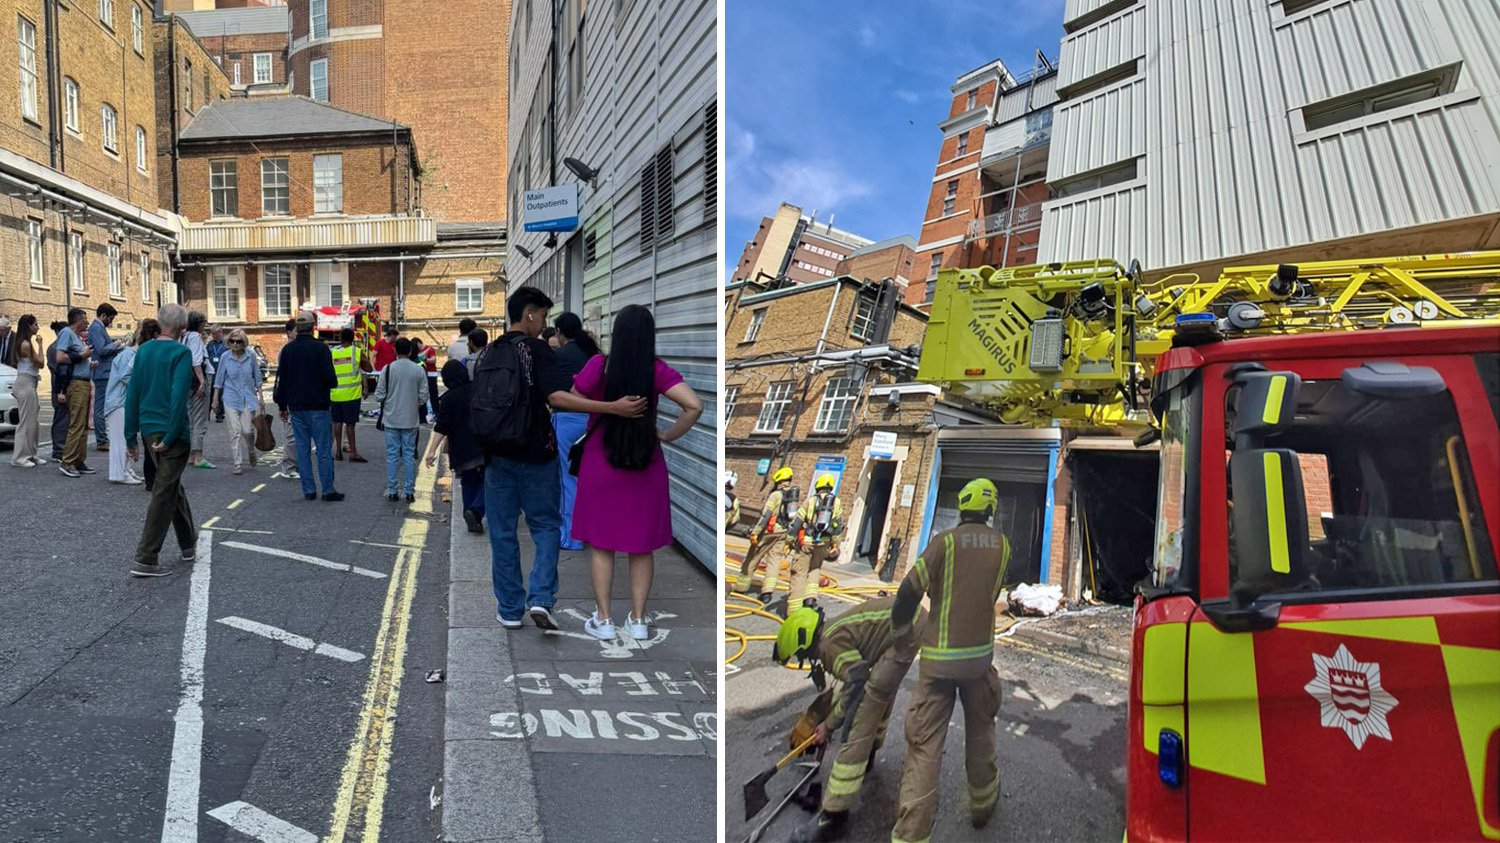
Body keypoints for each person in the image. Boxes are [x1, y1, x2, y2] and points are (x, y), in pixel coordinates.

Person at [476, 286, 647, 631]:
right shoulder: (537, 350)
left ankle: (510, 609)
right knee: (545, 526)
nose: (543, 325)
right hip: (536, 453)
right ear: (528, 313)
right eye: (541, 316)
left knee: (503, 532)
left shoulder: (489, 351)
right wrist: (611, 408)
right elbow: (558, 398)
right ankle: (540, 599)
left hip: (496, 455)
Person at [570, 304, 703, 641]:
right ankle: (639, 620)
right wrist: (666, 435)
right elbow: (694, 406)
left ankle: (603, 620)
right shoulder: (655, 369)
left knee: (602, 544)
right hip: (645, 463)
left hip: (601, 463)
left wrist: (607, 407)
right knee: (640, 546)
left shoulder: (599, 366)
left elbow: (572, 399)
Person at [890, 478, 1011, 843]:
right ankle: (983, 805)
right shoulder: (1003, 546)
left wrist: (900, 635)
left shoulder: (944, 542)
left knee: (924, 748)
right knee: (981, 732)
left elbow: (908, 590)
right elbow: (991, 595)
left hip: (939, 663)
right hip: (978, 661)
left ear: (962, 506)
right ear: (990, 509)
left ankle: (912, 834)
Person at [774, 597, 927, 843]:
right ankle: (869, 756)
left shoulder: (827, 645)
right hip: (910, 622)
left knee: (862, 714)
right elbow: (849, 676)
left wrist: (830, 725)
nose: (804, 659)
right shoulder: (831, 631)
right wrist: (822, 715)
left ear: (805, 644)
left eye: (800, 654)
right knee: (881, 690)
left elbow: (855, 681)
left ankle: (833, 816)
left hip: (905, 629)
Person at [124, 304, 198, 578]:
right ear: (183, 329)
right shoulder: (181, 352)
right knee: (163, 491)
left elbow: (133, 392)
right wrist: (171, 435)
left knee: (170, 486)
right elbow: (179, 397)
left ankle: (189, 542)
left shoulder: (143, 351)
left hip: (148, 429)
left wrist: (130, 435)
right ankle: (146, 557)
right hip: (172, 433)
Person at [273, 313, 343, 502]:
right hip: (319, 406)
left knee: (302, 450)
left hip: (296, 407)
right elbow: (331, 380)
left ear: (297, 327)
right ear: (314, 326)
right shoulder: (321, 349)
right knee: (323, 450)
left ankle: (309, 490)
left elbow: (283, 381)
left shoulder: (288, 350)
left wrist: (281, 405)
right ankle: (328, 490)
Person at [551, 312, 602, 551]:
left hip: (567, 420)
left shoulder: (558, 356)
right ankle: (592, 530)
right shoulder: (595, 355)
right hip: (596, 421)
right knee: (588, 478)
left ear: (560, 332)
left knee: (566, 479)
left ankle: (571, 536)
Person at [426, 360, 483, 531]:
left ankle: (470, 516)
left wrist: (431, 451)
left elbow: (442, 426)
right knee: (488, 481)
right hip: (482, 443)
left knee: (468, 482)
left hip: (460, 449)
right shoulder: (478, 389)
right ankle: (476, 510)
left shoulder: (448, 398)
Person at [372, 337, 428, 502]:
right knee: (409, 455)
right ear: (410, 351)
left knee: (392, 455)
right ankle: (410, 491)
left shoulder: (387, 369)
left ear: (395, 350)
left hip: (391, 419)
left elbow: (379, 395)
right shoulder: (418, 370)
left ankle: (393, 490)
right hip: (410, 419)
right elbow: (424, 395)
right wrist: (413, 404)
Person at [732, 467, 799, 602]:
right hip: (783, 532)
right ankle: (767, 593)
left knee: (753, 557)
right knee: (774, 561)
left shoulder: (775, 495)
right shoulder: (793, 497)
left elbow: (766, 515)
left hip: (769, 530)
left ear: (778, 481)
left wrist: (756, 532)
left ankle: (742, 586)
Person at [103, 320, 158, 485]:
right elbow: (125, 376)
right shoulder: (130, 355)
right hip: (118, 402)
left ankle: (126, 470)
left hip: (122, 401)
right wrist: (142, 386)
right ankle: (119, 473)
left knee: (126, 438)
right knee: (120, 439)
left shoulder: (131, 354)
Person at [786, 474, 846, 610]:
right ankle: (810, 598)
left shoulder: (811, 501)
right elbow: (837, 526)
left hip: (807, 541)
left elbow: (797, 522)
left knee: (799, 573)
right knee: (815, 569)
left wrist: (789, 540)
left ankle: (793, 608)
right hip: (823, 543)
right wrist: (835, 545)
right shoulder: (836, 503)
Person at [212, 329, 264, 476]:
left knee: (247, 430)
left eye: (238, 341)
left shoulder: (251, 356)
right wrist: (215, 399)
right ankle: (238, 463)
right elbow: (219, 379)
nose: (235, 344)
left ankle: (251, 450)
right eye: (232, 341)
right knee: (234, 432)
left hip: (248, 397)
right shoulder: (225, 357)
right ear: (229, 342)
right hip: (230, 398)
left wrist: (261, 398)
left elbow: (257, 378)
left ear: (244, 343)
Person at [54, 307, 96, 478]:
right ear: (78, 320)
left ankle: (79, 460)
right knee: (77, 424)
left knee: (83, 425)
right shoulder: (66, 333)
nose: (87, 323)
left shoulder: (77, 337)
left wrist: (87, 363)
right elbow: (60, 357)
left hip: (83, 382)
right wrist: (83, 355)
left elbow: (77, 358)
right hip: (76, 384)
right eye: (85, 320)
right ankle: (68, 461)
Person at [5, 315, 45, 467]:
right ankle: (20, 457)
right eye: (35, 324)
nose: (38, 327)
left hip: (30, 383)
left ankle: (31, 454)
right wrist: (41, 345)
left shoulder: (25, 343)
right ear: (29, 326)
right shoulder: (25, 345)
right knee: (26, 423)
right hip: (25, 383)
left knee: (32, 422)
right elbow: (41, 363)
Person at [87, 304, 124, 451]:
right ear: (103, 315)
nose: (111, 321)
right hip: (102, 372)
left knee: (102, 406)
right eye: (110, 318)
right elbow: (101, 350)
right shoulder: (96, 328)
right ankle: (101, 440)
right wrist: (115, 345)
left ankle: (103, 438)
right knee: (100, 407)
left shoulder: (99, 328)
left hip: (104, 372)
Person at [181, 310, 213, 469]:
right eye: (204, 322)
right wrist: (202, 382)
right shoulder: (195, 338)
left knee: (191, 418)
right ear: (199, 323)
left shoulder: (184, 337)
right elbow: (196, 361)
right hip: (198, 380)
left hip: (187, 382)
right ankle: (199, 455)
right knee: (200, 419)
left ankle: (192, 455)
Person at [330, 327, 367, 463]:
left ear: (340, 339)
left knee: (337, 422)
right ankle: (353, 453)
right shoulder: (356, 351)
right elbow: (368, 368)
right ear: (352, 339)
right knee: (350, 424)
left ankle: (338, 451)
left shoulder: (333, 353)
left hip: (335, 394)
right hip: (351, 395)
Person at [275, 318, 301, 478]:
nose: (299, 334)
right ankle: (289, 468)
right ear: (289, 333)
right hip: (290, 398)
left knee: (298, 435)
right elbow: (285, 378)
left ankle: (294, 465)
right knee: (291, 436)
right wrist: (282, 405)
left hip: (297, 397)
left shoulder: (295, 348)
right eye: (297, 331)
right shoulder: (286, 350)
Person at [45, 321, 70, 463]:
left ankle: (61, 449)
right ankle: (58, 450)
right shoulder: (55, 349)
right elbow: (59, 373)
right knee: (61, 419)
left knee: (64, 418)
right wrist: (61, 391)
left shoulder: (58, 347)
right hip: (60, 388)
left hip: (62, 387)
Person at [206, 327, 228, 422]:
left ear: (220, 332)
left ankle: (220, 414)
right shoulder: (210, 344)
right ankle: (207, 414)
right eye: (212, 334)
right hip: (211, 371)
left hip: (222, 371)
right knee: (209, 393)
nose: (214, 336)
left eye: (215, 333)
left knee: (220, 393)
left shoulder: (226, 344)